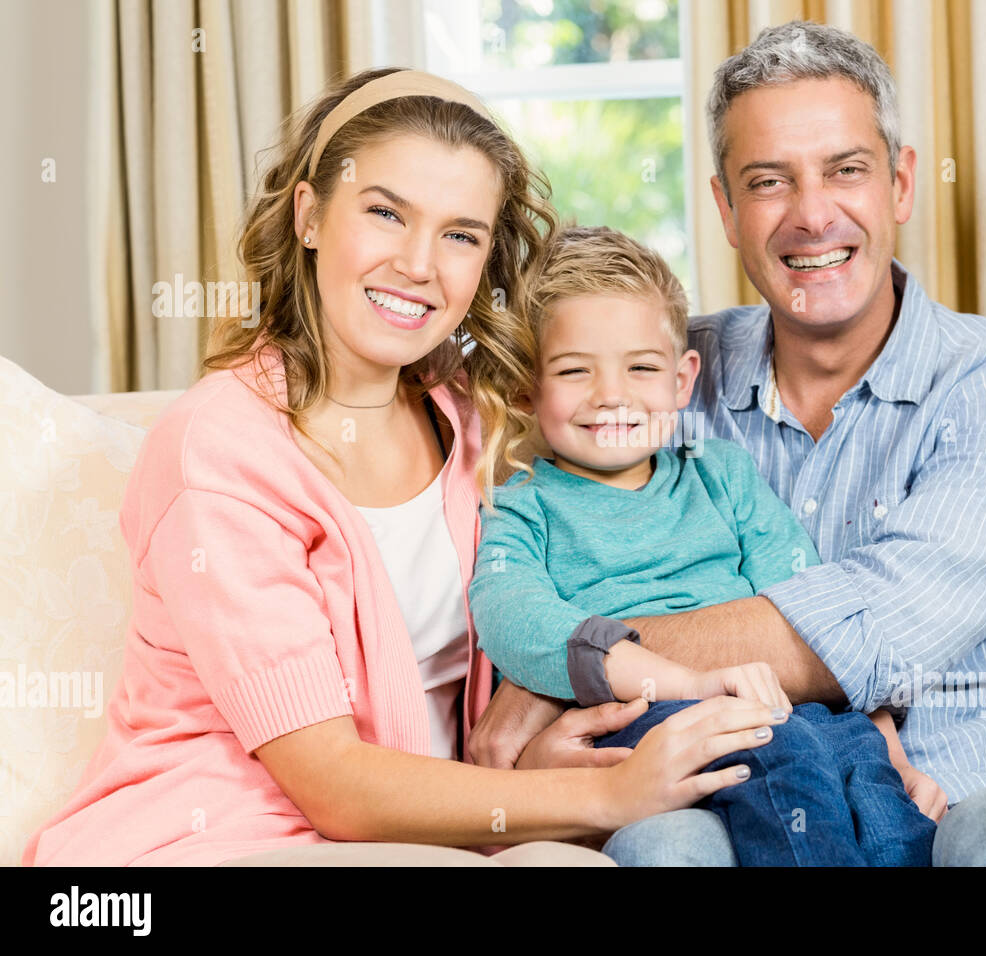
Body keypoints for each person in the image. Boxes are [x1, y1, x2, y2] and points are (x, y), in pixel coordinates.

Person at [21, 68, 784, 867]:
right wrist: (605, 793)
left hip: (424, 832)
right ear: (310, 216)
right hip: (218, 839)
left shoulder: (468, 417)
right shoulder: (219, 450)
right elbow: (336, 787)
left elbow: (560, 580)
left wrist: (538, 741)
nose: (420, 265)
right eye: (386, 212)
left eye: (461, 234)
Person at [467, 23, 986, 867]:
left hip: (968, 790)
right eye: (768, 182)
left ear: (900, 183)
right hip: (725, 789)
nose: (812, 216)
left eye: (846, 170)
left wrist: (566, 666)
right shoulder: (654, 378)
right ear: (727, 211)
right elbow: (481, 383)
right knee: (666, 850)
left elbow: (857, 630)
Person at [466, 225, 944, 866]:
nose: (612, 395)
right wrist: (686, 680)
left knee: (867, 772)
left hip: (775, 700)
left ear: (682, 380)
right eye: (576, 371)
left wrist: (879, 732)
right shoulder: (522, 502)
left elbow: (804, 592)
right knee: (782, 752)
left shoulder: (721, 471)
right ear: (529, 388)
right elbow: (514, 618)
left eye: (641, 368)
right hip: (640, 716)